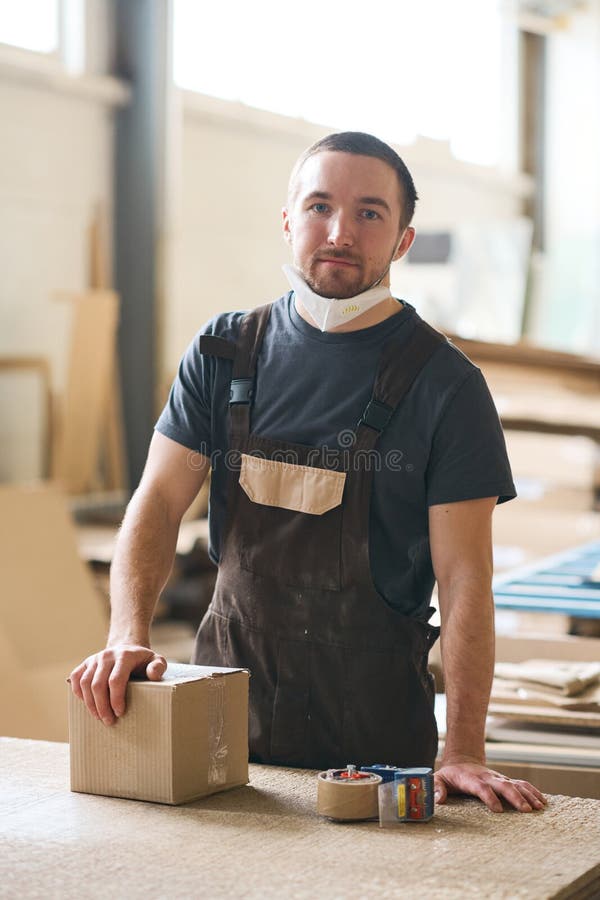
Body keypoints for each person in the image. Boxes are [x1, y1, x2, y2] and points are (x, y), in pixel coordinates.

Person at [70, 131, 546, 814]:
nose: (340, 231)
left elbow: (465, 575)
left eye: (370, 213)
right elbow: (157, 501)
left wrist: (463, 748)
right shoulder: (224, 352)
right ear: (288, 219)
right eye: (319, 207)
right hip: (220, 728)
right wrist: (127, 635)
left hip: (377, 743)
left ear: (403, 240)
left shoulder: (447, 387)